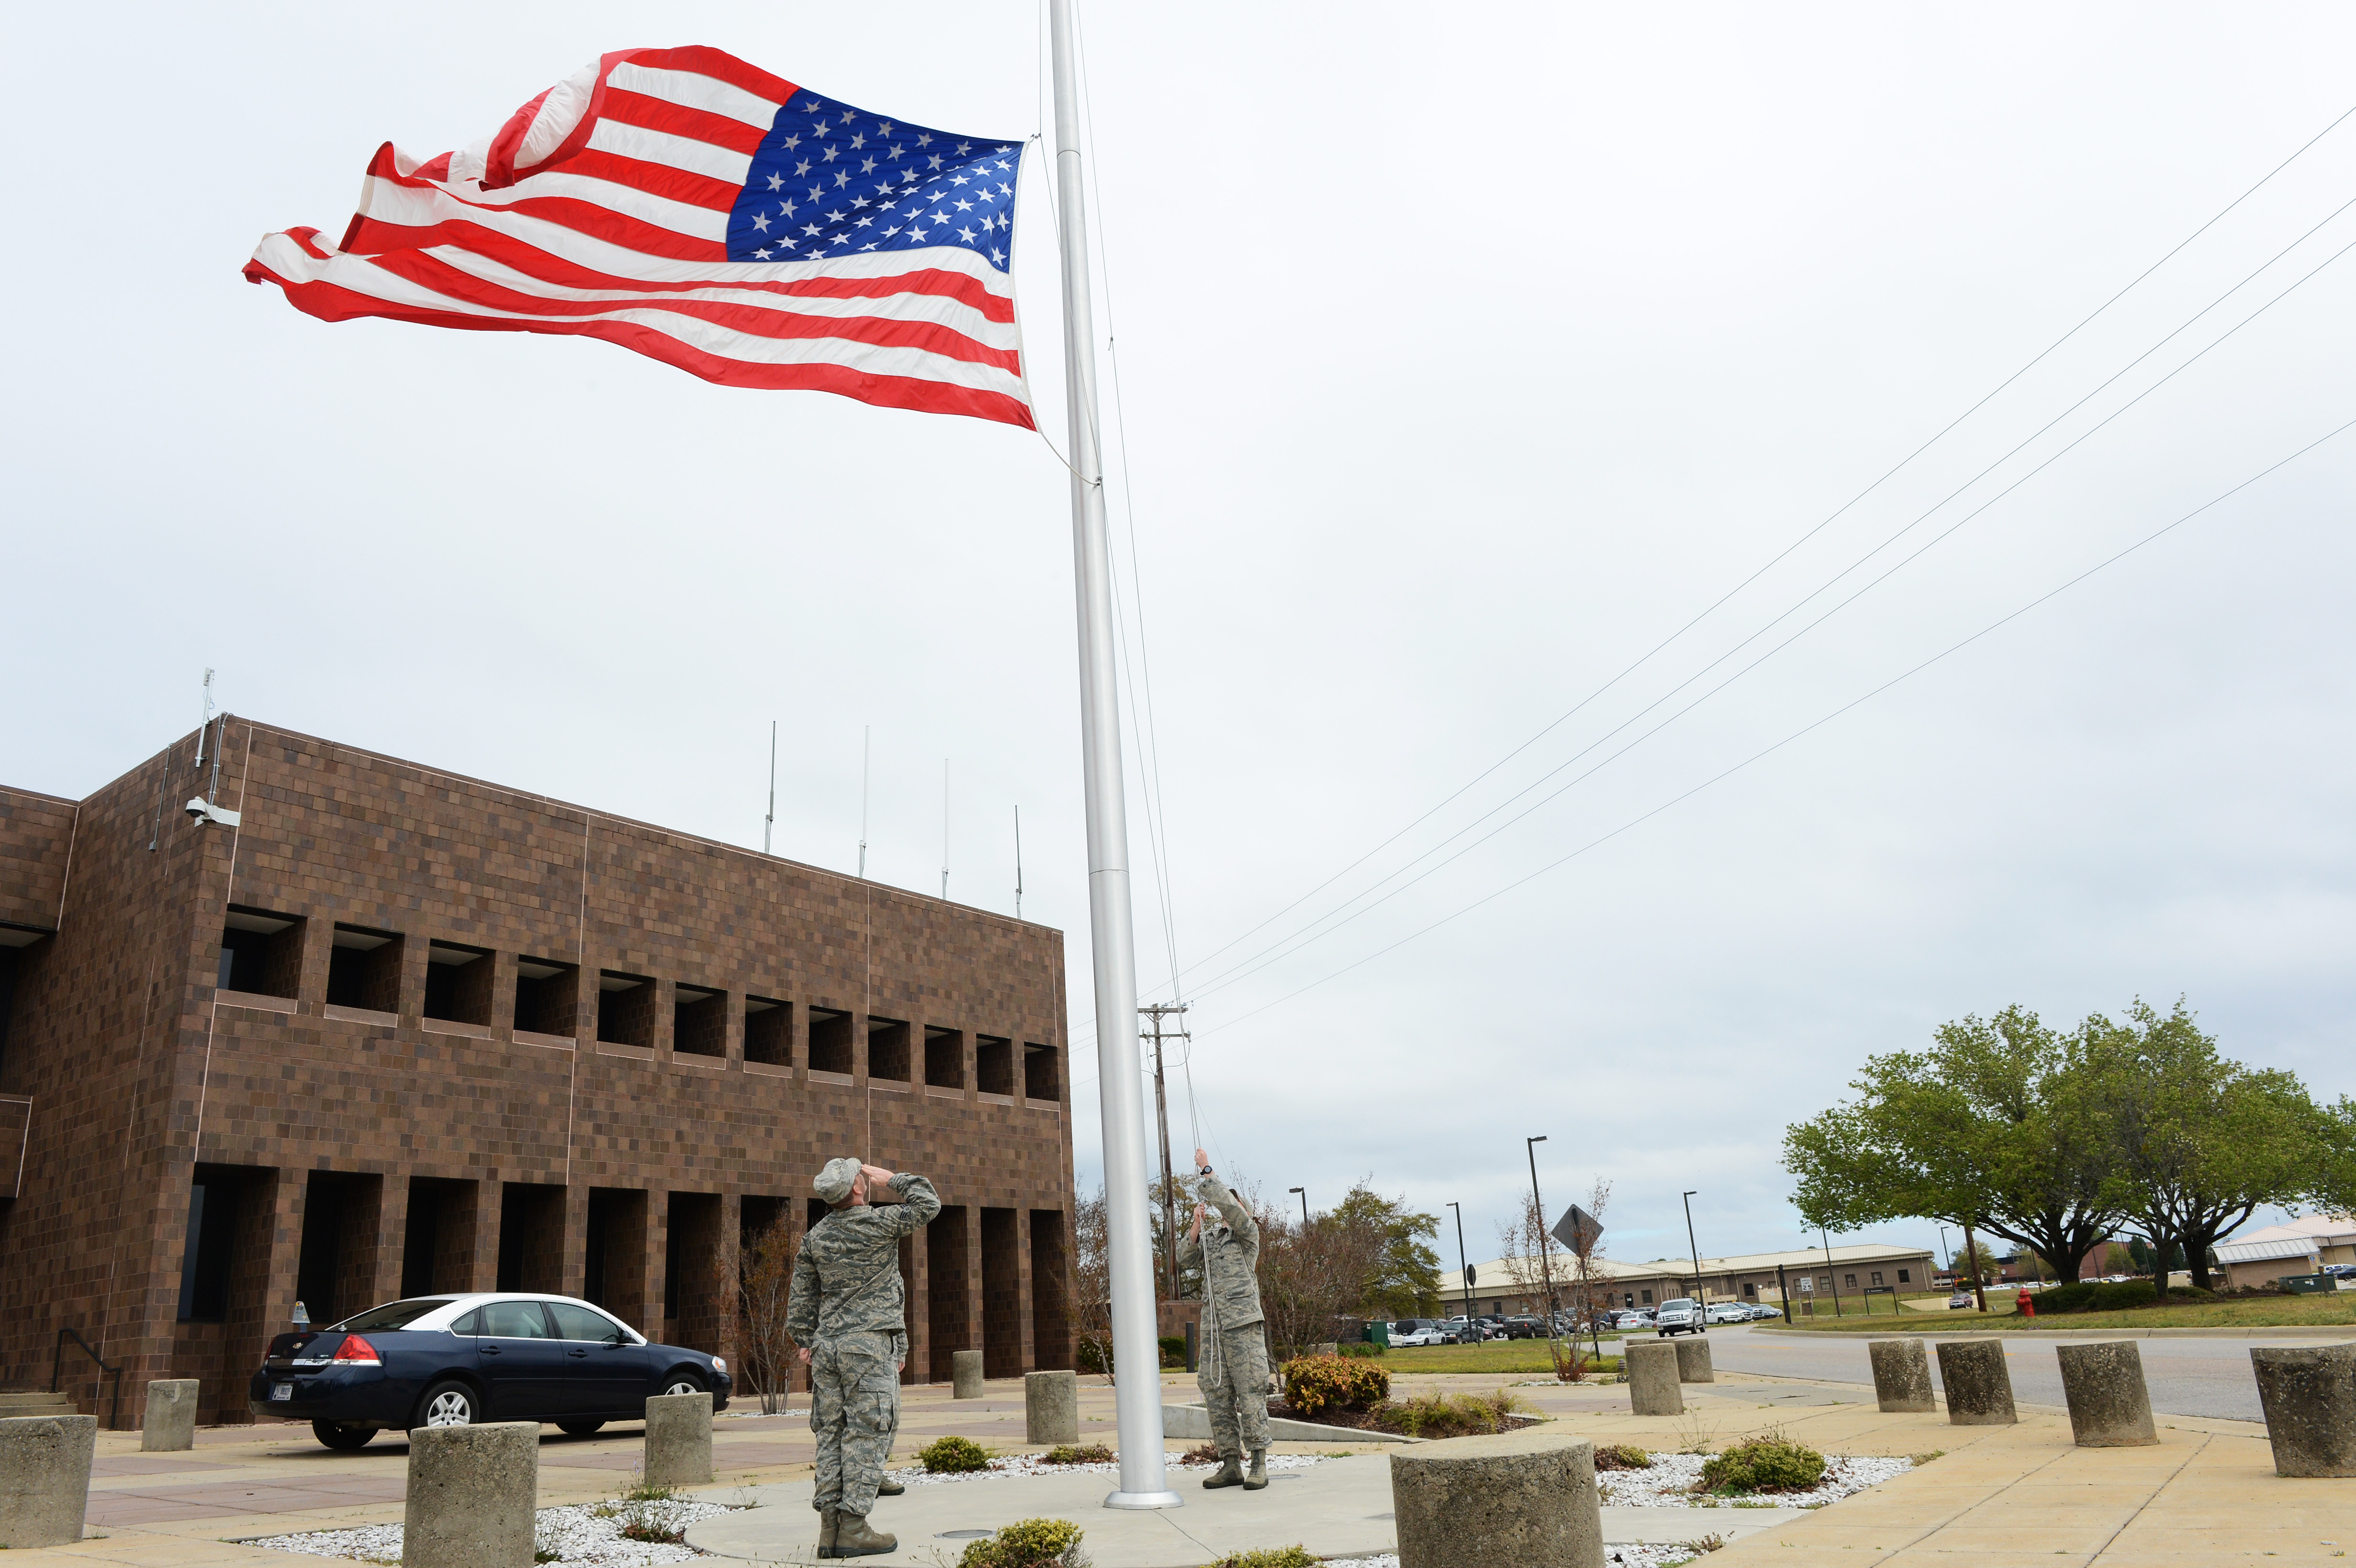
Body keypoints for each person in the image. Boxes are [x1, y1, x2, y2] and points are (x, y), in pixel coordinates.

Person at [789, 1157, 941, 1559]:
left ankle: (830, 1529)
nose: (867, 1178)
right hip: (868, 1347)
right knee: (867, 1431)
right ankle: (854, 1527)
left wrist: (806, 1339)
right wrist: (893, 1179)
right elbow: (928, 1204)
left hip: (828, 1349)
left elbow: (800, 1300)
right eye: (863, 1175)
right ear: (857, 1188)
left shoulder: (815, 1237)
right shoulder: (878, 1224)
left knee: (831, 1433)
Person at [1174, 1147, 1270, 1491]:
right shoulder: (1214, 1241)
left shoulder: (1247, 1237)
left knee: (1251, 1392)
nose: (1228, 1211)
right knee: (1216, 1393)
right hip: (1215, 1330)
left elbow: (1229, 1206)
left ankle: (1259, 1461)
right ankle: (1231, 1463)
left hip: (1243, 1327)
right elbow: (1184, 1259)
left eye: (1233, 1206)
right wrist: (1197, 1225)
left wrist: (1208, 1173)